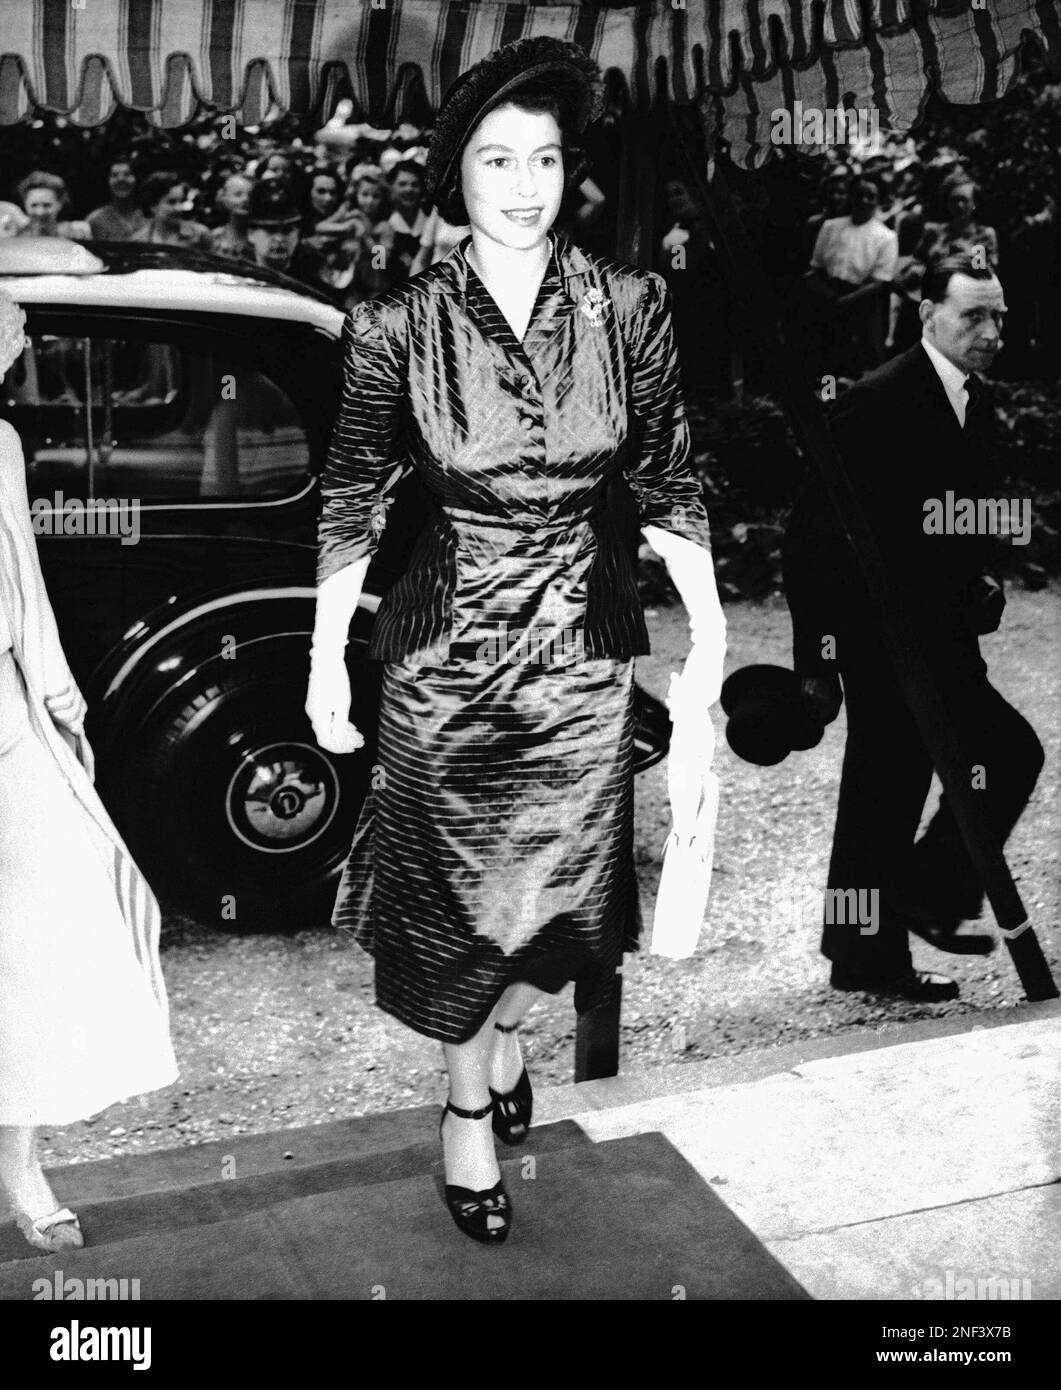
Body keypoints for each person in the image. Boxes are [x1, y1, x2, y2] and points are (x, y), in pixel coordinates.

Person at [306, 35, 726, 1246]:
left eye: (543, 156)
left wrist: (703, 632)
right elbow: (350, 492)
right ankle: (464, 1108)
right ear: (458, 175)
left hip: (579, 655)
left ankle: (500, 1040)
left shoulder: (629, 304)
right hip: (442, 658)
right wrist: (328, 654)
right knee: (453, 906)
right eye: (497, 158)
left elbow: (666, 473)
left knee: (565, 915)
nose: (524, 182)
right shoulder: (394, 325)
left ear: (568, 169)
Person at [782, 253, 1043, 1001]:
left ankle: (860, 954)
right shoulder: (880, 398)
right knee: (1008, 752)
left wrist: (981, 572)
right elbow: (810, 533)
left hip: (935, 630)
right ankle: (925, 894)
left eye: (997, 315)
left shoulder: (968, 395)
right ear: (927, 312)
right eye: (971, 315)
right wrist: (817, 660)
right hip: (885, 636)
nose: (990, 331)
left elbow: (944, 509)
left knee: (882, 787)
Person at [0, 291, 177, 1253]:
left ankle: (21, 1164)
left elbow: (25, 588)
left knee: (41, 945)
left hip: (4, 720)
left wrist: (62, 708)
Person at [807, 178, 899, 373]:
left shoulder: (886, 236)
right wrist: (830, 298)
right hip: (828, 297)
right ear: (850, 197)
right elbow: (816, 268)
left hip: (862, 303)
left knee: (859, 362)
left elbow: (879, 282)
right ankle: (827, 398)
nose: (864, 201)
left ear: (878, 200)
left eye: (870, 196)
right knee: (826, 359)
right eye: (859, 195)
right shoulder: (831, 226)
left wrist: (845, 300)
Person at [131, 171, 212, 250]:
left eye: (181, 201)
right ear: (153, 206)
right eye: (171, 202)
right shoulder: (139, 241)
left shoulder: (199, 235)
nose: (179, 208)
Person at [85, 157, 147, 241]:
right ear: (107, 181)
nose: (121, 179)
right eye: (114, 175)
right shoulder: (95, 220)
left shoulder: (150, 217)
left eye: (127, 174)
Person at [15, 173, 91, 241]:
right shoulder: (15, 236)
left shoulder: (77, 233)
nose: (40, 212)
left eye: (47, 205)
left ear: (60, 204)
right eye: (34, 205)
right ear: (25, 204)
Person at [209, 172, 254, 260]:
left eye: (250, 195)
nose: (246, 199)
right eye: (238, 194)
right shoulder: (213, 237)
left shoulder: (260, 238)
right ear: (224, 199)